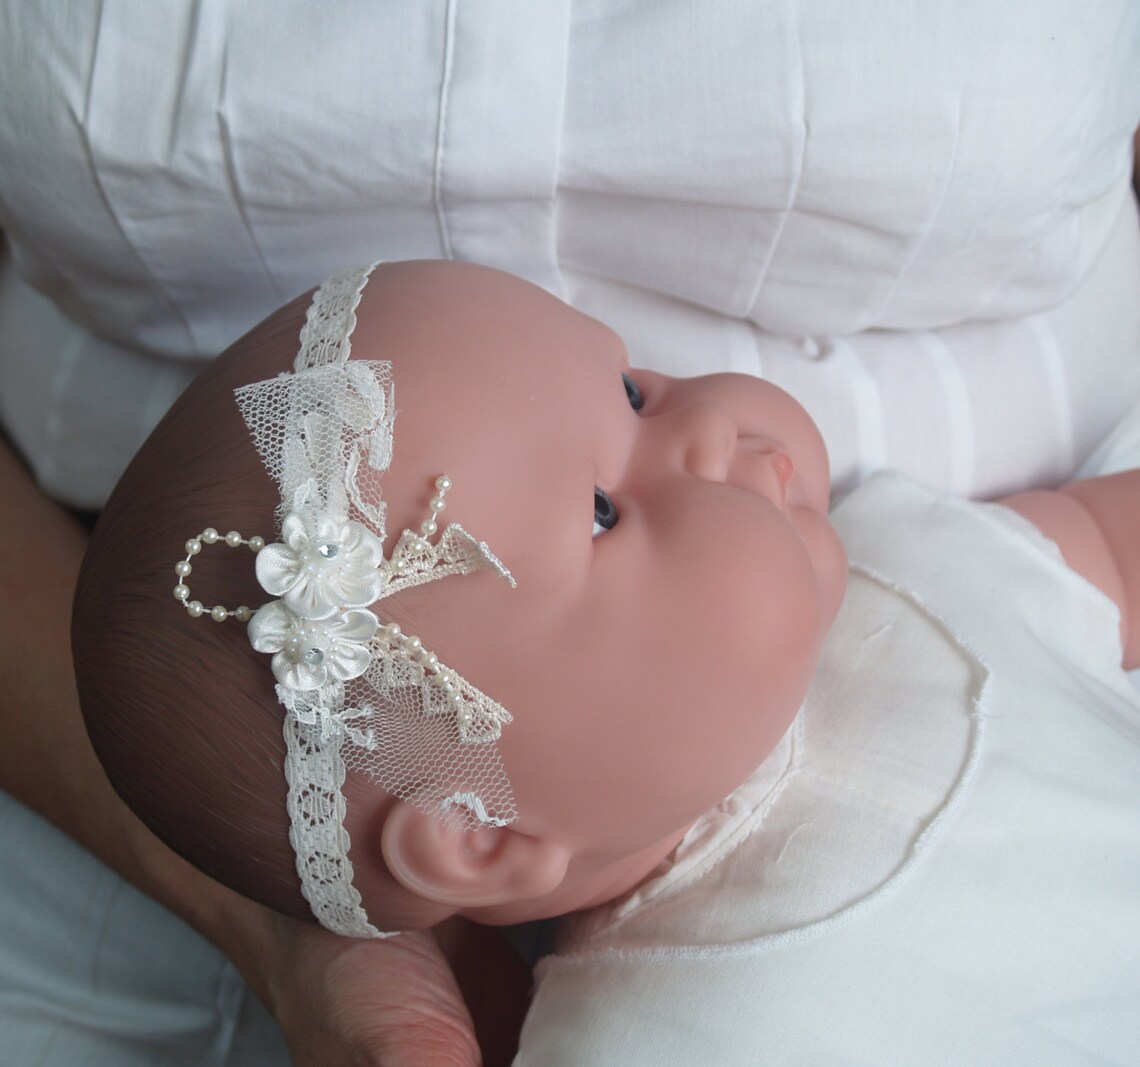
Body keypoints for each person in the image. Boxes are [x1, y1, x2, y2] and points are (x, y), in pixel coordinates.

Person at [3, 3, 1138, 1062]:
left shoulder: (931, 574)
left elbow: (1116, 544)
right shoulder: (650, 1033)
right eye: (602, 509)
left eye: (635, 389)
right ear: (478, 835)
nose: (707, 414)